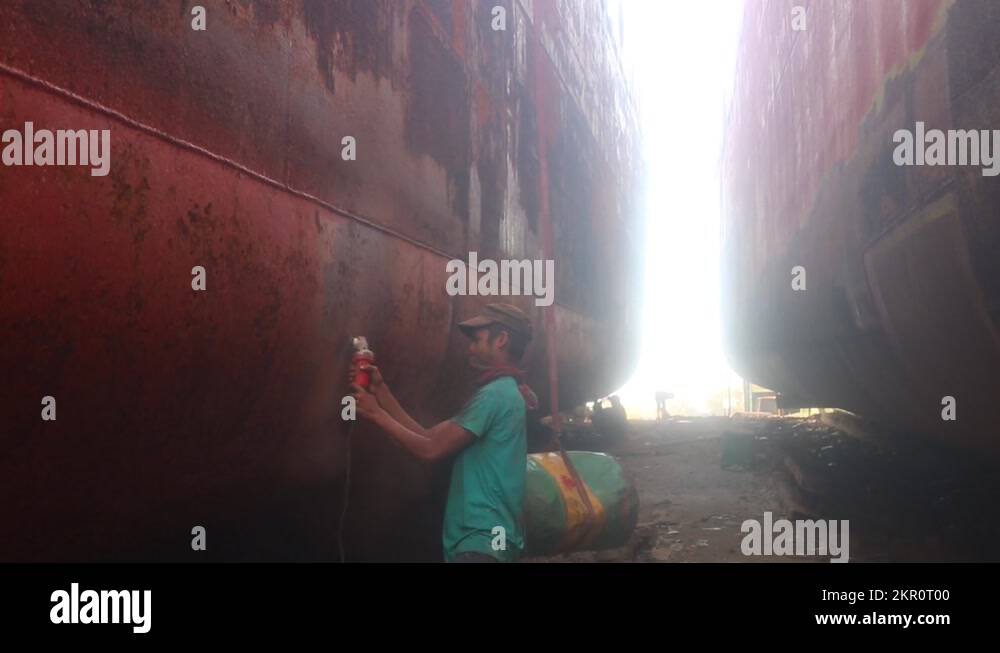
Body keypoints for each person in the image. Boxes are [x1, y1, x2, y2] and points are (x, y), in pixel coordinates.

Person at [350, 303, 536, 563]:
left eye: (477, 340)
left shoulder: (495, 395)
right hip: (487, 542)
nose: (470, 348)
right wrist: (381, 392)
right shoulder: (504, 392)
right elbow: (428, 436)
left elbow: (429, 451)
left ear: (502, 340)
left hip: (481, 543)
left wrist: (376, 415)